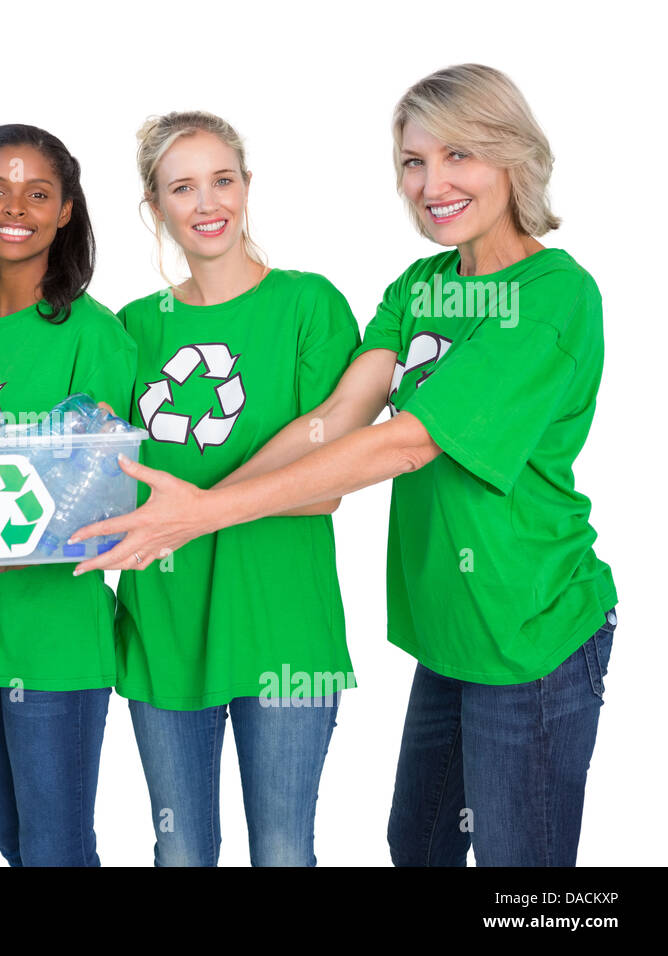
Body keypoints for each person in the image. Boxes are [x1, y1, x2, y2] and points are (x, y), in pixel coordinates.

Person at [72, 65, 618, 867]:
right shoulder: (421, 287)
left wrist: (201, 513)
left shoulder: (551, 293)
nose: (432, 183)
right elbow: (332, 423)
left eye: (459, 155)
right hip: (452, 635)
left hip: (531, 627)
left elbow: (407, 441)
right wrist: (194, 508)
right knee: (420, 846)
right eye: (413, 161)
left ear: (513, 158)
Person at [104, 111, 357, 866]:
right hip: (165, 619)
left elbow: (328, 486)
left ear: (247, 187)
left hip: (283, 620)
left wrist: (190, 512)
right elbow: (106, 482)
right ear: (156, 207)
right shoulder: (131, 328)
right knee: (180, 851)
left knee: (283, 850)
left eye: (222, 179)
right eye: (183, 187)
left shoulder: (309, 305)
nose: (207, 202)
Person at [0, 124, 136, 866]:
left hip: (56, 634)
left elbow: (105, 492)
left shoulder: (96, 334)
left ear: (66, 211)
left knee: (55, 847)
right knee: (11, 835)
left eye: (39, 192)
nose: (17, 207)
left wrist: (21, 538)